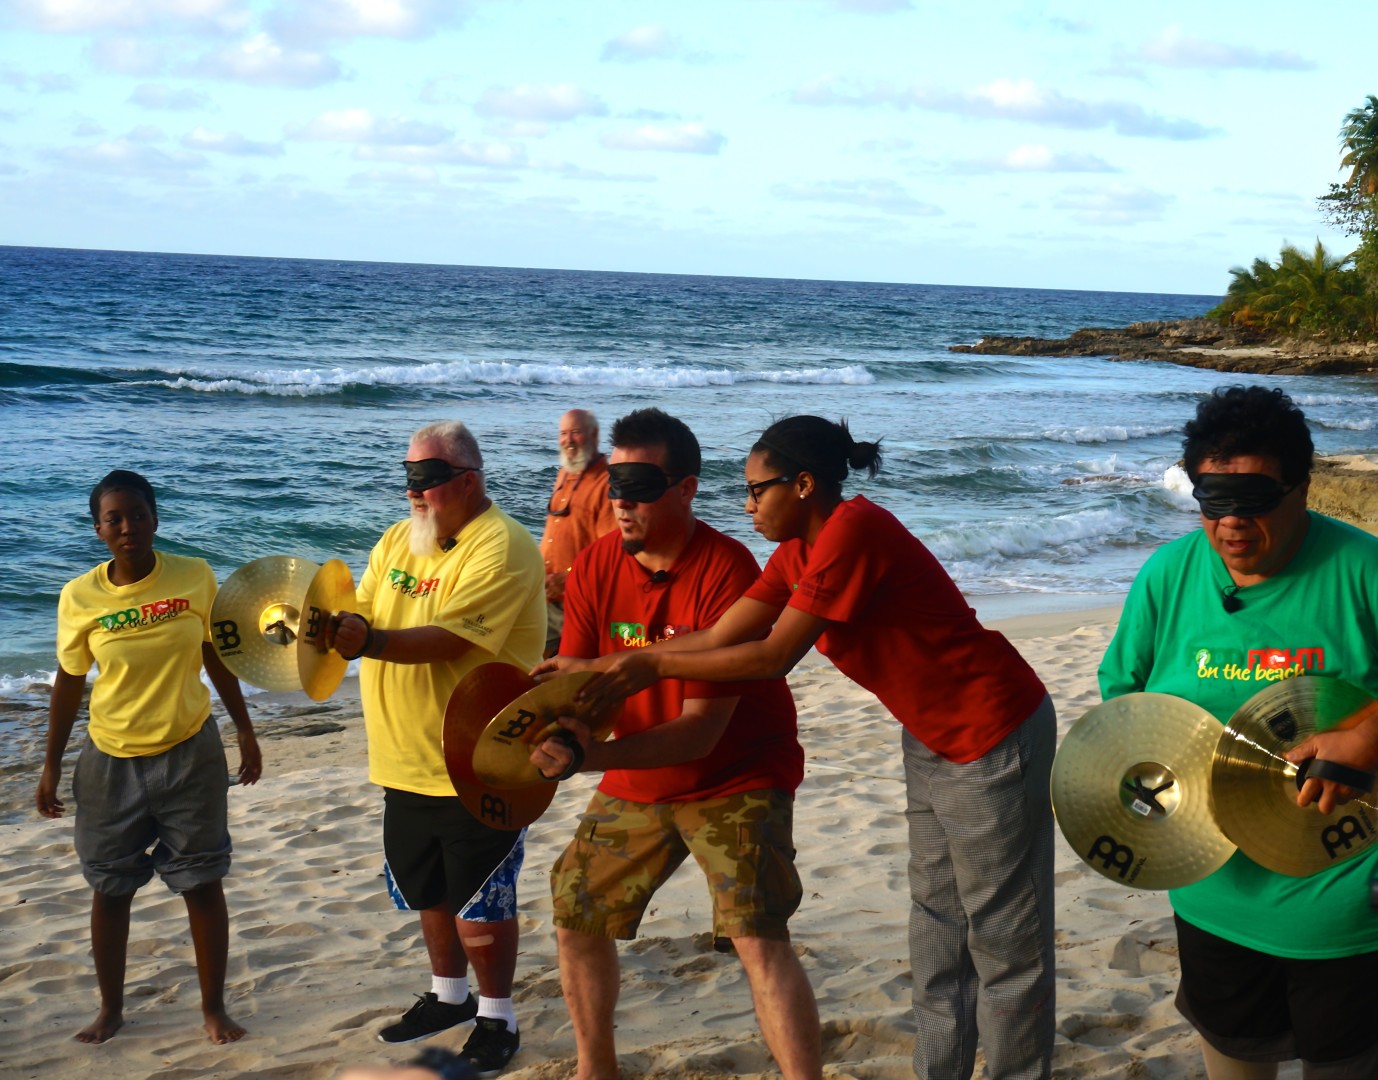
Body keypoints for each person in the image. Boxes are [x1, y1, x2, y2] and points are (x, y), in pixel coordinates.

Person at [538, 415, 1056, 1080]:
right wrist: (602, 666)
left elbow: (773, 656)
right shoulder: (794, 554)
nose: (746, 505)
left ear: (805, 485)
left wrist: (649, 667)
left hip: (995, 730)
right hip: (929, 735)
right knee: (937, 926)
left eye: (758, 490)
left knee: (1004, 939)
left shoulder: (853, 532)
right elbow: (724, 635)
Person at [527, 407, 821, 1080]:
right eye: (614, 485)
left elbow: (701, 730)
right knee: (576, 910)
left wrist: (587, 758)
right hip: (639, 766)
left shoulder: (727, 569)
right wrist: (563, 737)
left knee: (756, 934)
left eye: (639, 485)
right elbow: (582, 696)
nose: (621, 502)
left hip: (737, 770)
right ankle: (595, 1069)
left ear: (686, 488)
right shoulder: (598, 564)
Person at [1098, 385, 1378, 1080]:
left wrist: (1368, 737)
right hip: (1211, 895)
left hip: (1343, 901)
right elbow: (1122, 706)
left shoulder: (1363, 573)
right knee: (1232, 1056)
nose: (1230, 525)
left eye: (1253, 502)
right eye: (1211, 502)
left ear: (1302, 488)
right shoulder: (1169, 575)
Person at [332, 421, 545, 1076]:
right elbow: (365, 609)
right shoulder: (401, 539)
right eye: (407, 478)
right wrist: (329, 626)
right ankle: (450, 997)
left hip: (478, 760)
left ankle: (497, 1016)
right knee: (427, 889)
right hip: (403, 760)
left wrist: (365, 642)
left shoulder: (502, 547)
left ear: (468, 482)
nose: (411, 493)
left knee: (482, 903)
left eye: (425, 481)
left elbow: (452, 639)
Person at [35, 469, 262, 1045]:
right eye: (114, 518)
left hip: (191, 751)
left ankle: (215, 1008)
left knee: (202, 883)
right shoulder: (80, 596)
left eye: (138, 514)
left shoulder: (193, 577)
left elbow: (217, 656)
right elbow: (69, 681)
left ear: (155, 519)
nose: (128, 526)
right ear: (98, 529)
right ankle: (110, 1011)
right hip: (110, 760)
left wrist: (245, 730)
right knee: (111, 887)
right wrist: (51, 763)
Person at [539, 409, 616, 657]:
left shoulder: (606, 483)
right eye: (563, 433)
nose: (568, 440)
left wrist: (567, 578)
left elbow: (610, 552)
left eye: (575, 433)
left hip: (576, 602)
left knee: (560, 672)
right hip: (546, 596)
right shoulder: (565, 473)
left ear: (594, 435)